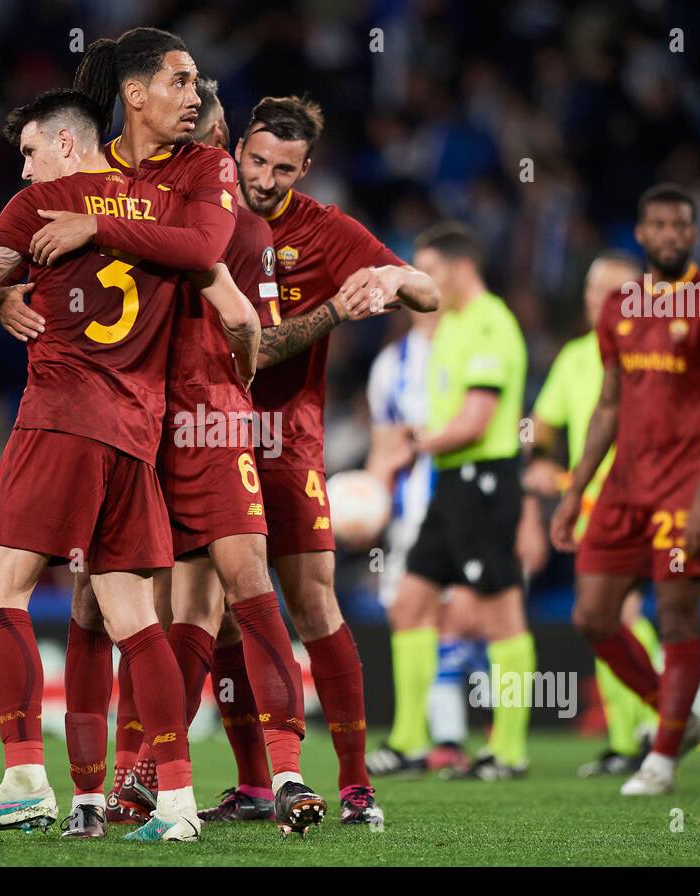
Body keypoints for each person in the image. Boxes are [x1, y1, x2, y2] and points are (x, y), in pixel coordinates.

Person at [0, 88, 255, 843]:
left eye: (31, 151)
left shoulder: (47, 201)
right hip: (137, 440)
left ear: (68, 146)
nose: (26, 167)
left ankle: (25, 780)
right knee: (136, 619)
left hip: (61, 420)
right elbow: (236, 311)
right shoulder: (163, 212)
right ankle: (174, 805)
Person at [202, 94, 440, 824]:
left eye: (285, 169)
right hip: (210, 435)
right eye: (258, 161)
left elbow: (427, 292)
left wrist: (394, 280)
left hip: (285, 441)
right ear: (238, 147)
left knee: (312, 604)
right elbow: (251, 343)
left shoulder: (324, 230)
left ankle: (356, 786)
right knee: (219, 620)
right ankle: (251, 784)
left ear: (305, 171)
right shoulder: (203, 213)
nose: (266, 178)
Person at [551, 183, 700, 796]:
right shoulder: (620, 308)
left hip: (684, 490)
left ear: (693, 234)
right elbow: (608, 405)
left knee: (675, 615)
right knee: (592, 615)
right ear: (641, 234)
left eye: (680, 226)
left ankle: (660, 759)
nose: (669, 235)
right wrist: (575, 486)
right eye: (658, 225)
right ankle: (678, 717)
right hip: (622, 489)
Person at [387, 222, 538, 781]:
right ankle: (408, 741)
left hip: (484, 481)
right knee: (408, 603)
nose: (425, 282)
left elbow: (475, 421)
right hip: (451, 484)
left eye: (429, 269)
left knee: (501, 615)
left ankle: (509, 751)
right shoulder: (448, 324)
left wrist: (417, 443)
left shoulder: (491, 324)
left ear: (458, 268)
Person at [526, 249, 662, 777]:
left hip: (641, 505)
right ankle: (634, 739)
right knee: (608, 618)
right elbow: (541, 423)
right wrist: (541, 462)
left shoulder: (656, 359)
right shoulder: (576, 355)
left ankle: (659, 724)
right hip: (591, 508)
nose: (593, 302)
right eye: (589, 292)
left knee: (618, 614)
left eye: (607, 294)